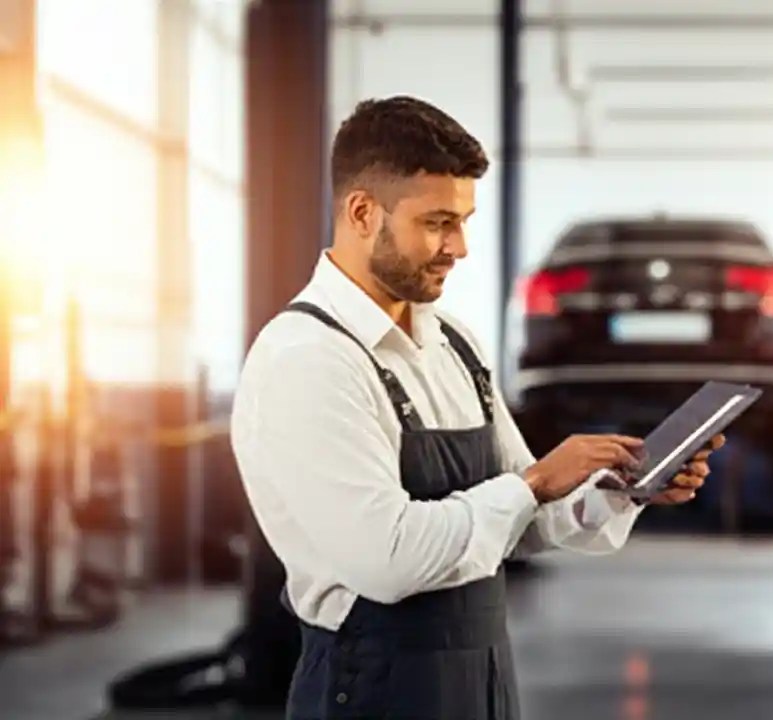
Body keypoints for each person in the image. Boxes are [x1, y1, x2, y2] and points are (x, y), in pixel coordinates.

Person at [229, 96, 723, 720]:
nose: (458, 247)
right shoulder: (308, 360)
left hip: (482, 683)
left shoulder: (454, 345)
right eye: (437, 222)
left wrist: (624, 488)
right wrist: (537, 479)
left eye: (463, 221)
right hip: (372, 693)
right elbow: (389, 559)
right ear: (361, 213)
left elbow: (527, 519)